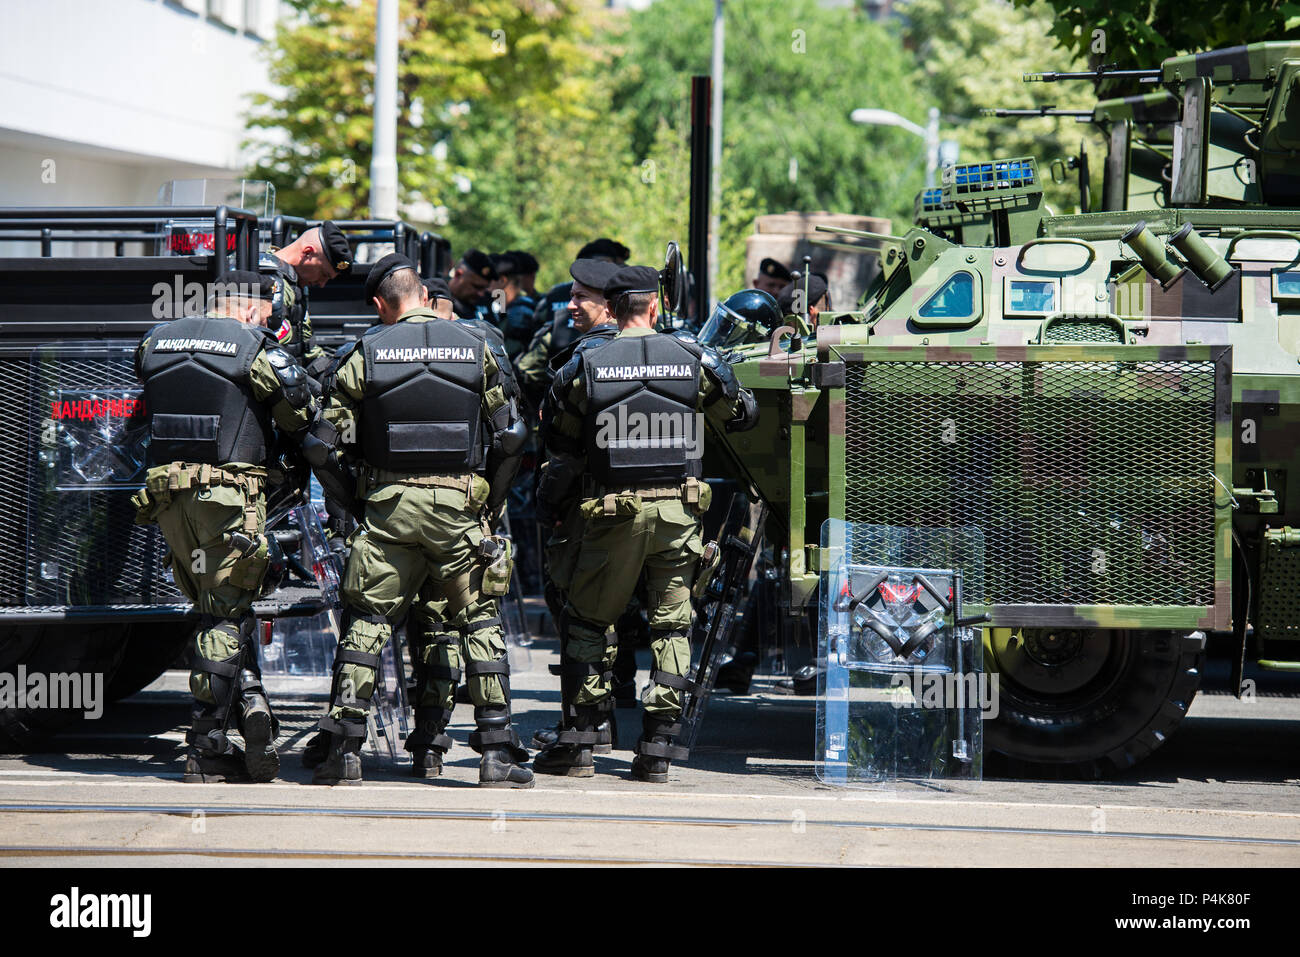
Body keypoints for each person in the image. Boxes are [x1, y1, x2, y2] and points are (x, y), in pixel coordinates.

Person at [308, 253, 533, 788]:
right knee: (477, 619)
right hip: (460, 506)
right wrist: (490, 505)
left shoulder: (366, 350)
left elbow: (320, 444)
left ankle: (344, 752)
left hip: (388, 507)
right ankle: (496, 753)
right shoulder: (477, 346)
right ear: (426, 297)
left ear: (382, 303)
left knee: (366, 621)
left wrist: (353, 502)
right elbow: (513, 437)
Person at [532, 265, 759, 782]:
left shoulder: (584, 364)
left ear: (610, 310)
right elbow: (742, 414)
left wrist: (554, 507)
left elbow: (560, 445)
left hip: (612, 514)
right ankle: (657, 747)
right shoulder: (692, 358)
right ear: (653, 306)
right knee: (672, 625)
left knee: (589, 622)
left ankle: (583, 742)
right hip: (681, 513)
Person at [132, 270, 329, 784]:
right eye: (267, 313)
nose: (270, 321)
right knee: (228, 615)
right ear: (249, 307)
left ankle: (246, 704)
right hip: (227, 496)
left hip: (166, 495)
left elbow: (140, 415)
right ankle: (206, 746)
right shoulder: (250, 344)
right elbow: (301, 412)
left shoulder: (157, 340)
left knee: (210, 605)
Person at [259, 221, 353, 379]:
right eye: (324, 274)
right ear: (308, 252)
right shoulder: (270, 283)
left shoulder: (296, 286)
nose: (322, 284)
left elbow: (308, 348)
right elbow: (265, 361)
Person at [446, 248, 498, 321]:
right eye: (477, 287)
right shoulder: (437, 297)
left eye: (485, 288)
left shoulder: (486, 301)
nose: (481, 294)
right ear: (458, 274)